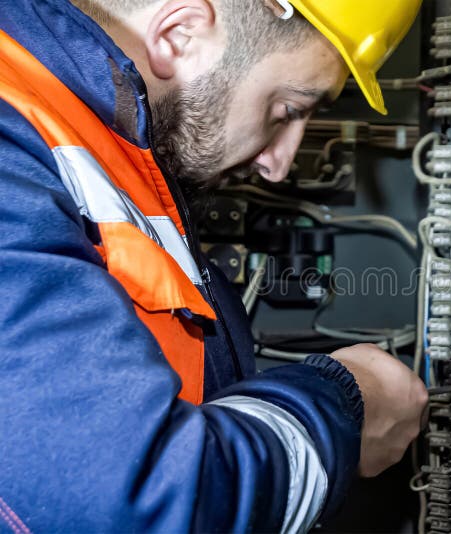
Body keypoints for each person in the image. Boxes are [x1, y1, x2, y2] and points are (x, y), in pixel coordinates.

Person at [0, 0, 427, 531]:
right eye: (289, 109)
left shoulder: (103, 143)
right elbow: (133, 504)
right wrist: (344, 407)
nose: (279, 166)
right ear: (179, 34)